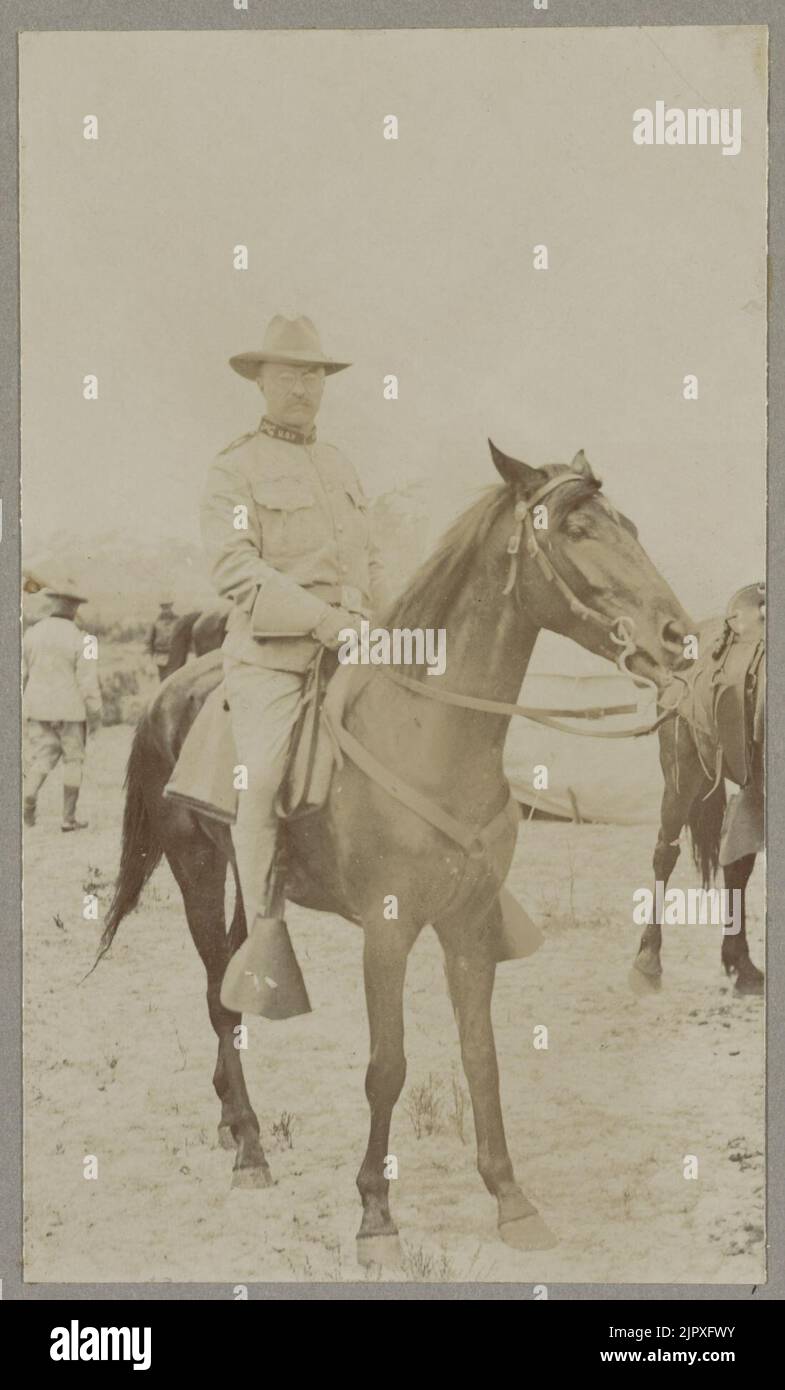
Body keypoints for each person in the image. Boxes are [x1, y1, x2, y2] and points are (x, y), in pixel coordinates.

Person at [200, 315, 388, 1008]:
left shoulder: (339, 464)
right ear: (260, 381)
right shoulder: (234, 467)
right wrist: (321, 621)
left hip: (357, 641)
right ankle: (266, 937)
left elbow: (371, 559)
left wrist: (385, 623)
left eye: (313, 374)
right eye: (288, 374)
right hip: (274, 657)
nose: (303, 387)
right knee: (264, 778)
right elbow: (233, 569)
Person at [22, 578, 103, 831]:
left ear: (53, 604)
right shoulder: (86, 640)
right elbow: (88, 683)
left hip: (37, 708)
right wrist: (96, 713)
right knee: (73, 760)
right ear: (74, 608)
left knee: (41, 758)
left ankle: (28, 795)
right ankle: (68, 818)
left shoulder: (31, 634)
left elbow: (22, 674)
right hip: (71, 711)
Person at [147, 597, 180, 680]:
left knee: (175, 679)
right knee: (163, 680)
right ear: (161, 608)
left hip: (175, 655)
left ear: (171, 606)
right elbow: (149, 641)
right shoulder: (156, 622)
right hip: (160, 655)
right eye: (164, 607)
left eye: (168, 607)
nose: (166, 610)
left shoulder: (178, 620)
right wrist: (151, 658)